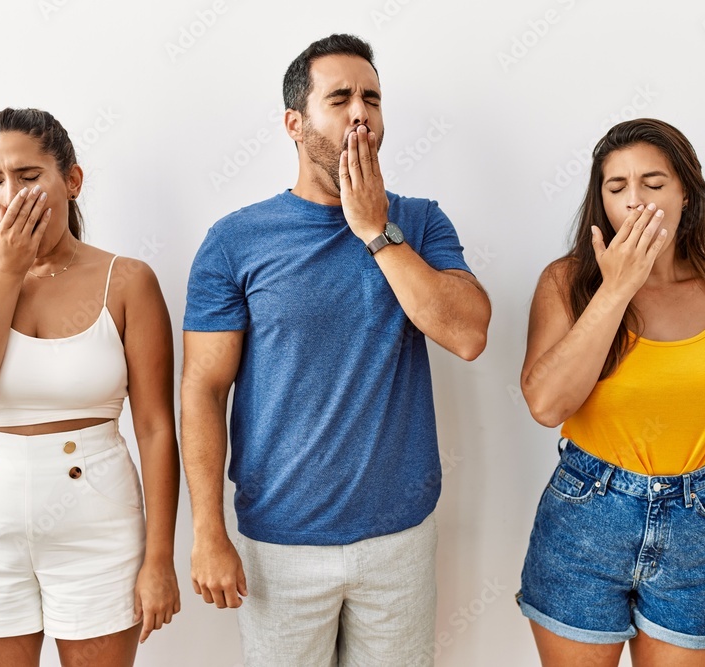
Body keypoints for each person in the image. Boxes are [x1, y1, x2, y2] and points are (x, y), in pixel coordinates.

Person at [180, 33, 491, 666]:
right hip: (280, 543)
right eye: (341, 97)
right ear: (295, 122)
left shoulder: (420, 221)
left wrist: (377, 231)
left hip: (398, 539)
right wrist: (207, 529)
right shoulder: (235, 241)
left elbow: (468, 334)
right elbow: (203, 390)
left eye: (372, 98)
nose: (361, 113)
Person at [517, 118, 705, 666]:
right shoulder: (565, 283)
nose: (635, 202)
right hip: (584, 518)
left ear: (687, 192)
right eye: (616, 188)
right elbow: (546, 405)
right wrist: (616, 289)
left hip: (700, 527)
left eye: (654, 184)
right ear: (601, 202)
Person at [0, 108, 180, 666]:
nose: (11, 195)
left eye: (28, 176)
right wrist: (8, 273)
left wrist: (159, 557)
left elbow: (157, 427)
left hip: (99, 525)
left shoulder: (128, 280)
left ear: (72, 180)